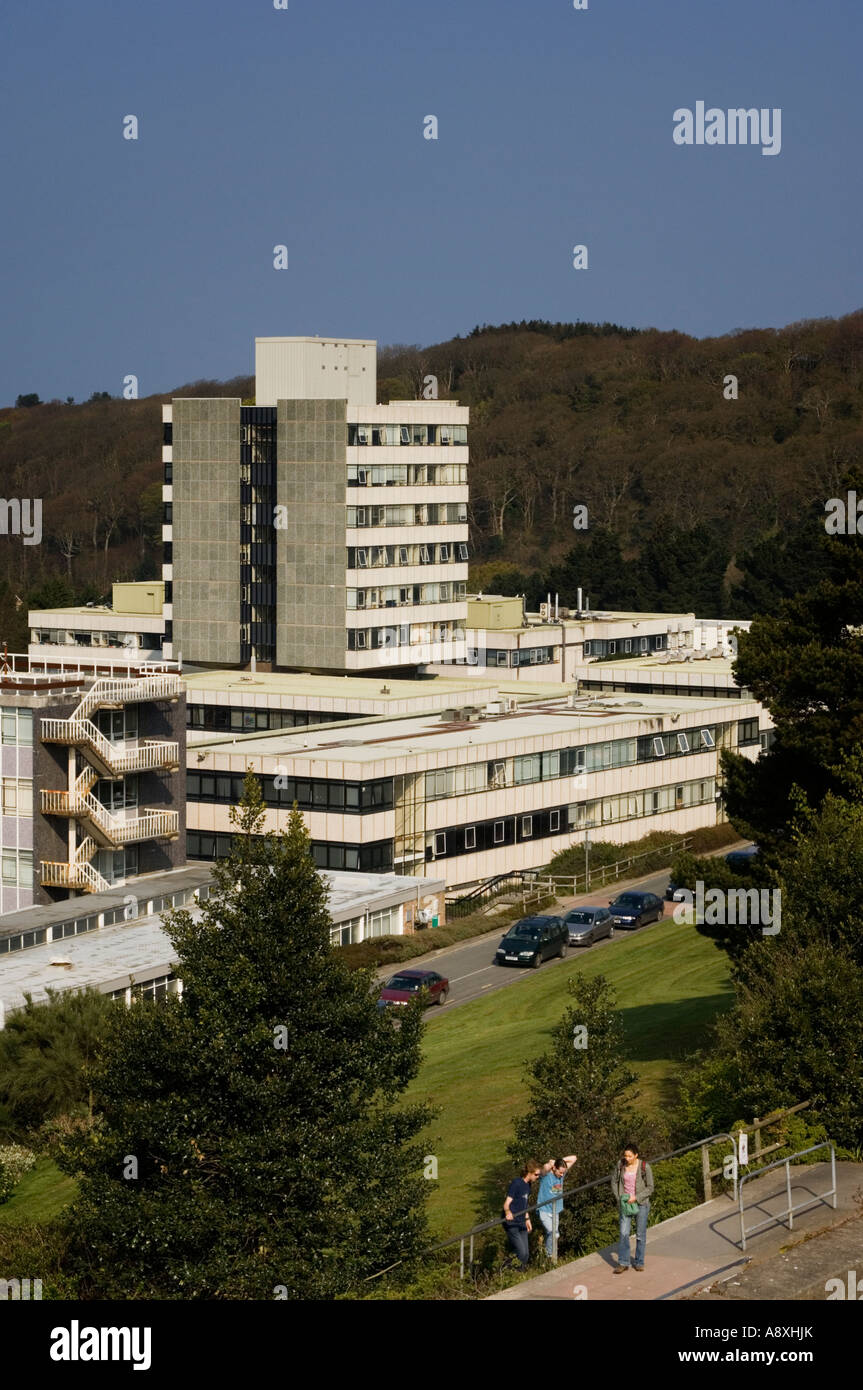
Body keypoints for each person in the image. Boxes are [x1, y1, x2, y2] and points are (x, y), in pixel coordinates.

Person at [611, 1142, 654, 1272]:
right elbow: (614, 1181)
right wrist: (620, 1198)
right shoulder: (620, 1165)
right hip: (625, 1204)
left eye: (630, 1156)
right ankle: (623, 1262)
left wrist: (636, 1197)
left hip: (640, 1203)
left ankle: (639, 1261)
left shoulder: (645, 1167)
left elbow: (650, 1187)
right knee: (624, 1233)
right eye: (625, 1156)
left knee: (640, 1234)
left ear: (636, 1155)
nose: (627, 1158)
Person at [536, 1155, 578, 1261]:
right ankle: (549, 1255)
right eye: (560, 1172)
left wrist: (559, 1161)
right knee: (554, 1233)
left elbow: (574, 1158)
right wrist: (552, 1163)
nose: (562, 1175)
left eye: (563, 1172)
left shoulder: (561, 1175)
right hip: (544, 1210)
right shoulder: (546, 1175)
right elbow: (545, 1167)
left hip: (556, 1210)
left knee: (554, 1235)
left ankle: (552, 1258)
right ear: (554, 1168)